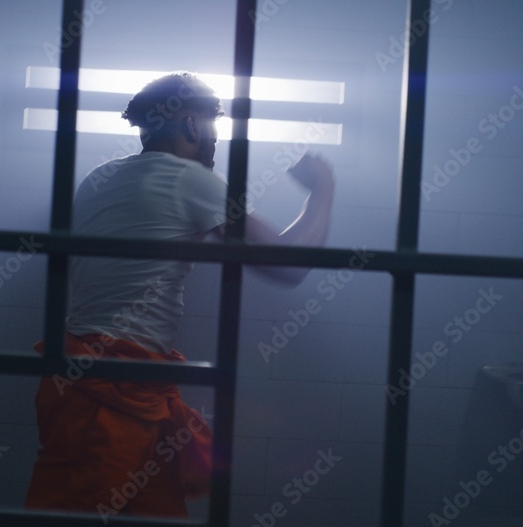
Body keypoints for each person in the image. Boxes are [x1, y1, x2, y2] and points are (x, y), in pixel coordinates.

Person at [24, 72, 335, 521]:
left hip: (104, 378)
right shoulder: (188, 178)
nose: (215, 142)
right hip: (114, 389)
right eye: (212, 128)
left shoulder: (97, 179)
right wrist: (323, 192)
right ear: (192, 125)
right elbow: (288, 266)